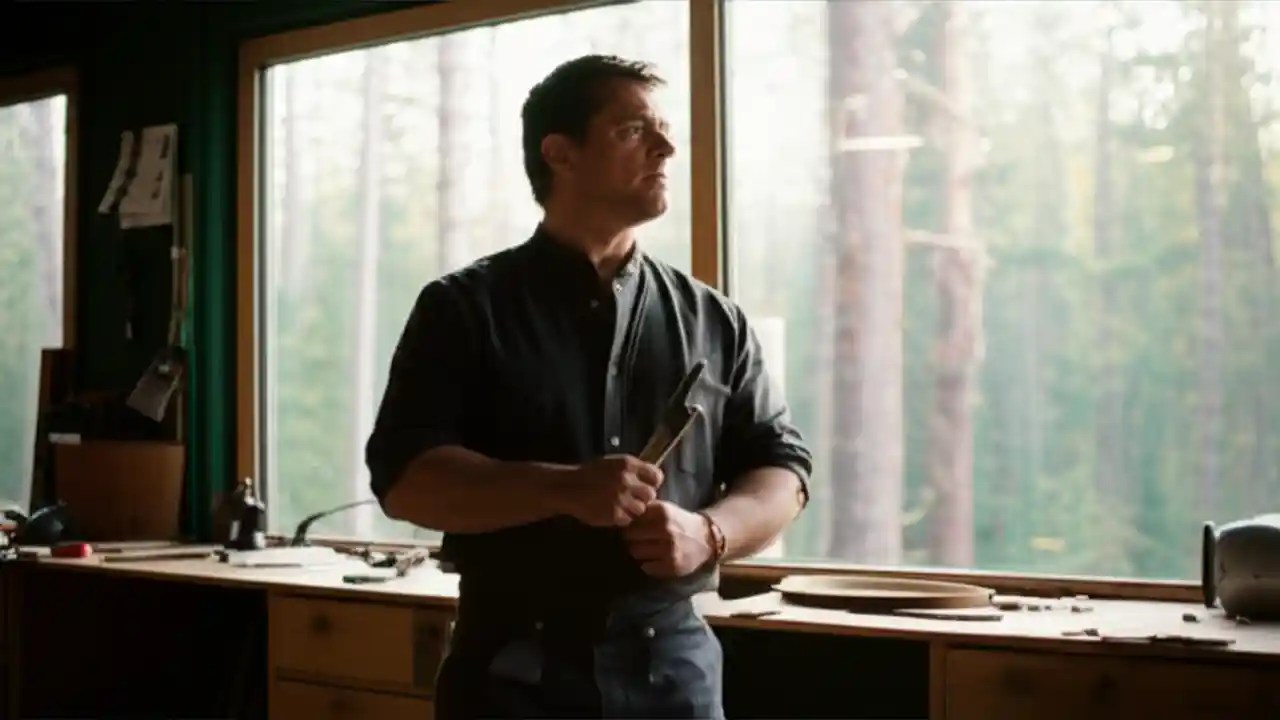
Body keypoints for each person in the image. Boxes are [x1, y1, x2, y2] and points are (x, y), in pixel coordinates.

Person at [365, 54, 812, 720]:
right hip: (510, 679)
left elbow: (783, 471)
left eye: (663, 131)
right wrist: (563, 488)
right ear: (560, 153)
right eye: (634, 130)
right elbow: (404, 479)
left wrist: (709, 532)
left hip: (677, 681)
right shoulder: (462, 307)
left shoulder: (716, 318)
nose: (666, 147)